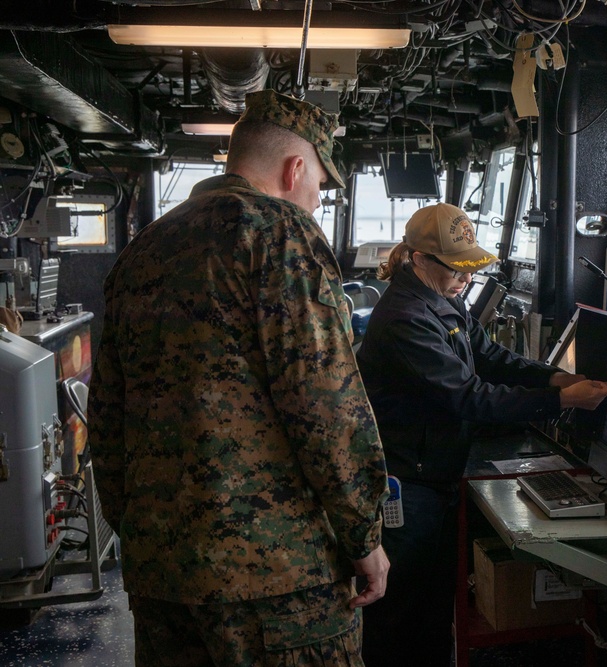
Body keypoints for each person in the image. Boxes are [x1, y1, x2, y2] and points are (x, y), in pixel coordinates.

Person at [88, 89, 389, 667]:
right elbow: (325, 405)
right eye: (321, 187)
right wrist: (364, 538)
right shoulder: (282, 236)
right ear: (295, 168)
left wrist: (137, 530)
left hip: (164, 577)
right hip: (278, 580)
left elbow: (107, 413)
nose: (318, 201)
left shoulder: (145, 248)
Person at [355, 202, 607, 667]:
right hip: (407, 485)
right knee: (401, 614)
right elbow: (469, 397)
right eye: (456, 269)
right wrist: (563, 402)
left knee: (435, 608)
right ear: (419, 258)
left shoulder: (443, 298)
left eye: (469, 269)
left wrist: (554, 378)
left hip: (435, 473)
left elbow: (490, 356)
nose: (465, 279)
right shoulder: (405, 318)